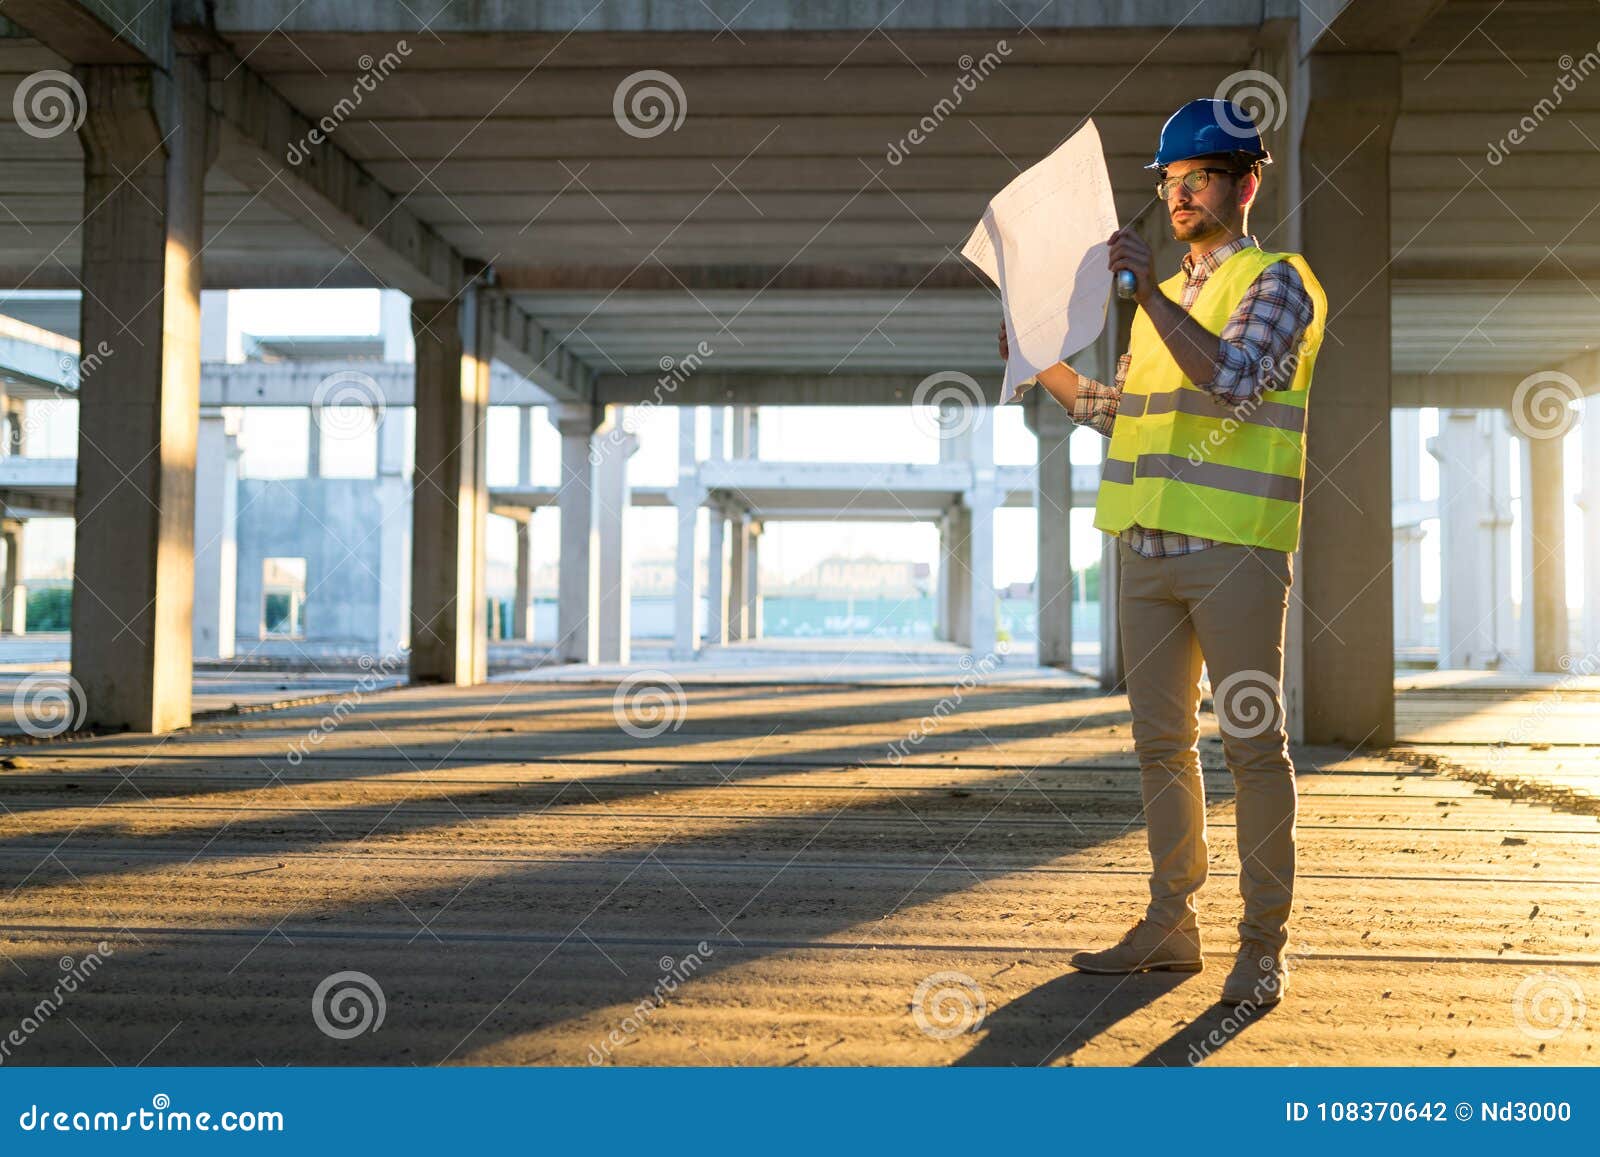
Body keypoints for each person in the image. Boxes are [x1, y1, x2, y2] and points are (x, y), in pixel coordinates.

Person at [999, 98, 1327, 1006]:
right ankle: (1172, 924)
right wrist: (1041, 362)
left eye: (1201, 177)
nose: (1180, 195)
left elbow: (1233, 381)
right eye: (1171, 180)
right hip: (1145, 548)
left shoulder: (1277, 281)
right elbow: (1122, 412)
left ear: (1245, 184)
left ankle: (1262, 946)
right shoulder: (1165, 303)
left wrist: (1145, 296)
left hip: (1234, 549)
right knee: (1161, 748)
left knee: (1253, 748)